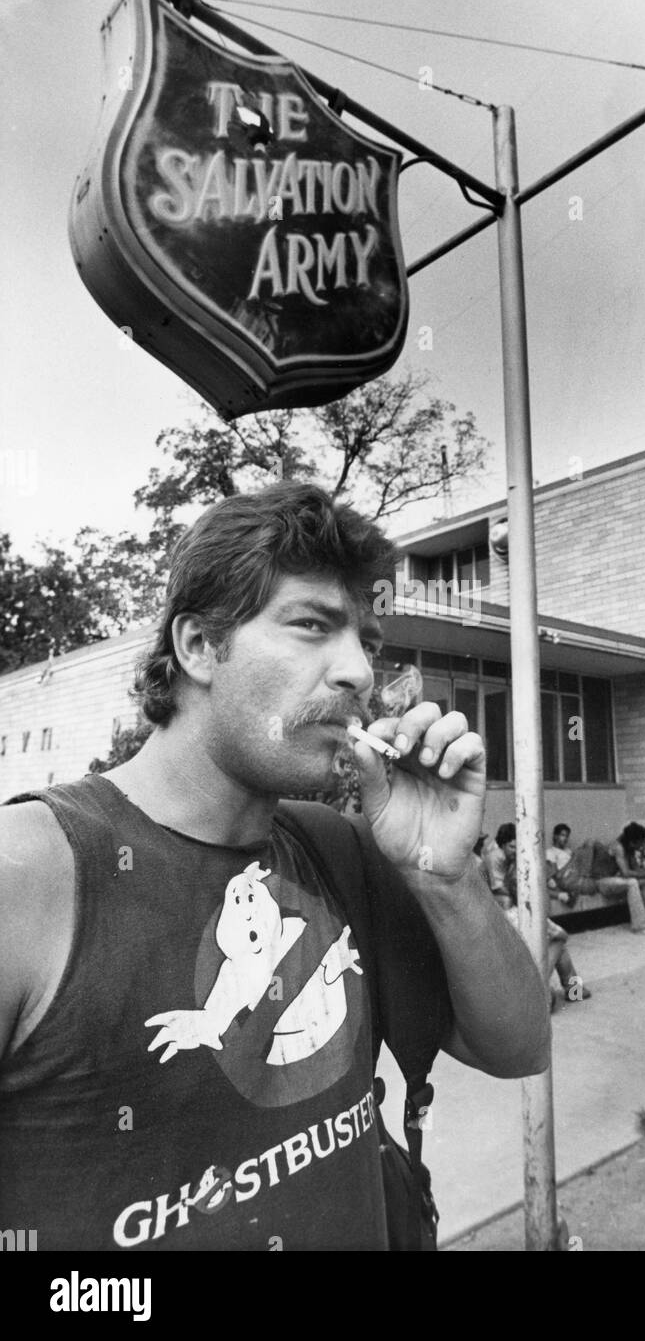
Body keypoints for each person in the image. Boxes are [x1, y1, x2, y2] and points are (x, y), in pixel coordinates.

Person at [0, 483, 549, 1252]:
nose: (359, 671)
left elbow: (519, 1048)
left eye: (367, 639)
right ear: (198, 647)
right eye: (312, 626)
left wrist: (443, 875)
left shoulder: (339, 847)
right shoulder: (28, 873)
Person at [491, 823, 591, 1006]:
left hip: (511, 983)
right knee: (559, 941)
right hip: (531, 991)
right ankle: (571, 990)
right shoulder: (527, 914)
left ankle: (573, 990)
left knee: (551, 944)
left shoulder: (507, 910)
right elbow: (562, 935)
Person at [598, 822, 645, 934]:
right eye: (640, 843)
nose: (641, 846)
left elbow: (636, 869)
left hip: (617, 879)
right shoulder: (618, 847)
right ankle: (639, 925)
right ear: (632, 842)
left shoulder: (629, 848)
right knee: (632, 882)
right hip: (603, 881)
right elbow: (626, 873)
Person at [545, 822, 574, 903]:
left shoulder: (568, 851)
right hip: (565, 879)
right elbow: (556, 875)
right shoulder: (550, 852)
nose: (565, 838)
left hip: (576, 873)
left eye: (567, 836)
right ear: (555, 836)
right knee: (589, 843)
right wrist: (572, 861)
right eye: (562, 835)